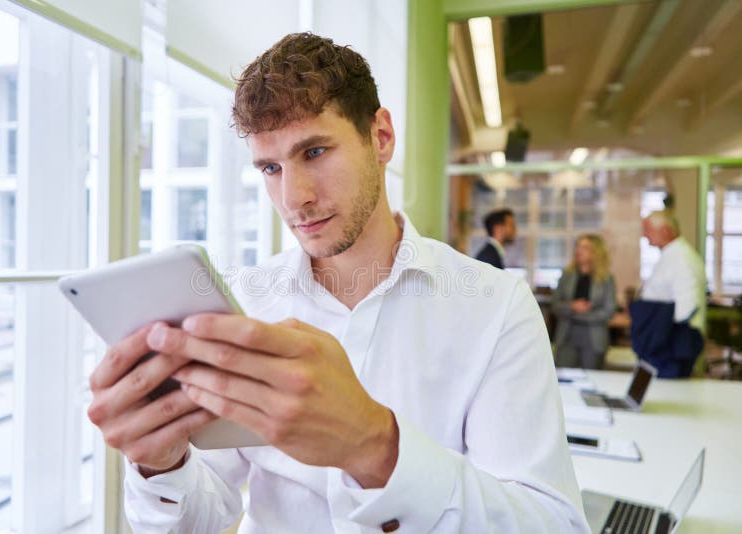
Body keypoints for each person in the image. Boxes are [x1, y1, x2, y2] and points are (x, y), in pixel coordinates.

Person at [87, 33, 588, 532]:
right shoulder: (248, 301)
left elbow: (553, 525)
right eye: (270, 167)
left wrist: (375, 447)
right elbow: (202, 517)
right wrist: (162, 463)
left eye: (315, 152)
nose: (294, 197)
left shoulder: (495, 307)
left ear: (381, 138)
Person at [631, 209, 706, 377]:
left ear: (665, 230)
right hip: (663, 337)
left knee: (669, 393)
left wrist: (658, 334)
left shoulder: (682, 258)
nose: (644, 236)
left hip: (672, 340)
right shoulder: (671, 255)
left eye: (648, 230)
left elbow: (687, 306)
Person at [552, 234, 617, 369]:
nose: (578, 250)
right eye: (578, 246)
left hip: (593, 339)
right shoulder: (567, 275)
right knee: (563, 379)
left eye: (585, 247)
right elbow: (555, 305)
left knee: (591, 381)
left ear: (596, 252)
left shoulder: (606, 278)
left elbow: (609, 311)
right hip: (566, 336)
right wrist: (572, 306)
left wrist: (580, 315)